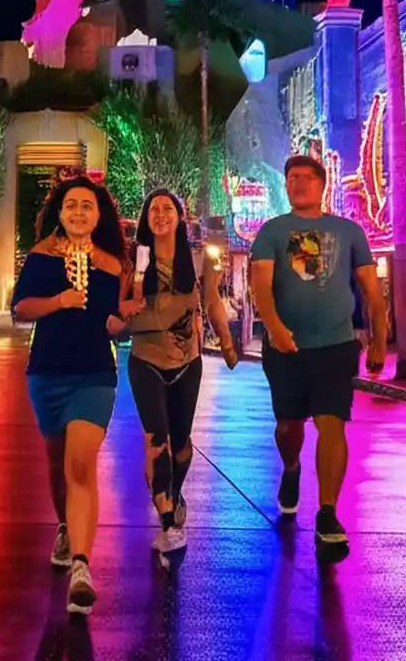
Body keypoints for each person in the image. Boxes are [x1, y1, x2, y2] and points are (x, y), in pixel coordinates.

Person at [249, 155, 387, 561]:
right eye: (291, 178)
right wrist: (274, 328)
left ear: (322, 184)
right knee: (289, 426)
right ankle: (291, 470)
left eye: (306, 177)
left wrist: (379, 339)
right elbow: (262, 285)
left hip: (336, 346)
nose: (298, 183)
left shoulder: (347, 232)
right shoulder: (275, 231)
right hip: (287, 349)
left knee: (331, 424)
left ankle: (327, 513)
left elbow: (371, 291)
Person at [11, 177, 136, 615]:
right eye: (71, 206)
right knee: (55, 459)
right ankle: (65, 526)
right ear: (60, 213)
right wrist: (59, 301)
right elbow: (20, 307)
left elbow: (116, 317)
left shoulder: (113, 265)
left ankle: (82, 565)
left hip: (95, 374)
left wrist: (125, 325)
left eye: (87, 206)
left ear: (99, 215)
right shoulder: (43, 255)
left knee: (80, 464)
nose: (79, 212)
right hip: (46, 371)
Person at [123, 189, 239, 556]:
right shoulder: (135, 257)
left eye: (167, 208)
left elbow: (212, 301)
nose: (160, 214)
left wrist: (226, 340)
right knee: (157, 437)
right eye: (153, 208)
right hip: (145, 360)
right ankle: (168, 522)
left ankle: (173, 491)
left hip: (188, 362)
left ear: (180, 216)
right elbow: (121, 302)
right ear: (146, 218)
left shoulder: (199, 258)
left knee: (182, 441)